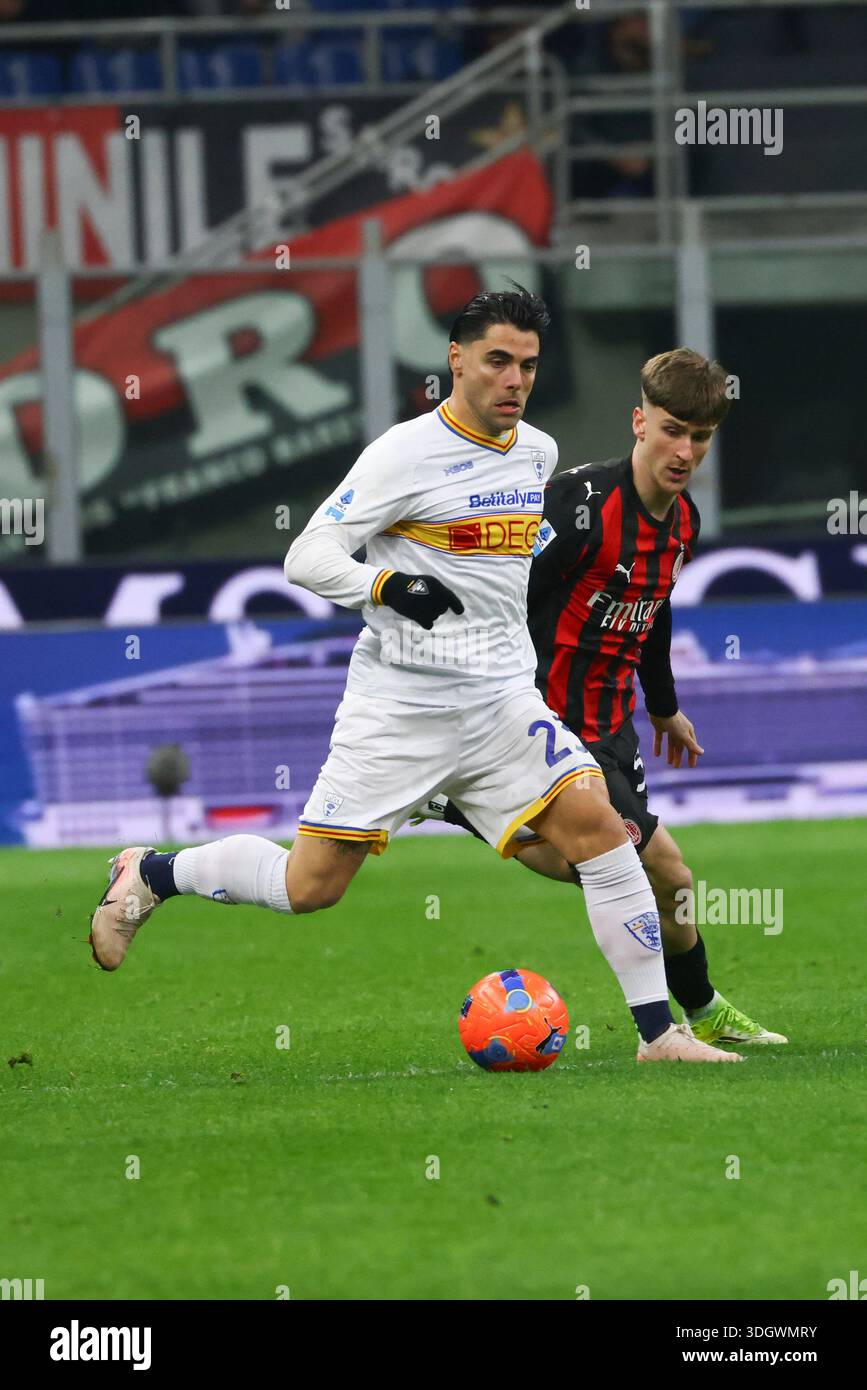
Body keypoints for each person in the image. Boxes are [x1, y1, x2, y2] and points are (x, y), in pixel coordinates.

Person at [89, 288, 741, 1064]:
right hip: (402, 707)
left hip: (500, 703)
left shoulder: (534, 452)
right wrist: (387, 587)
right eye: (497, 361)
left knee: (605, 836)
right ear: (456, 360)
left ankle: (658, 1035)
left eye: (528, 365)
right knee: (310, 887)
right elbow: (307, 553)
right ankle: (153, 871)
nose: (514, 380)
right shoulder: (404, 453)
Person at [420, 348, 785, 1047]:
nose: (684, 450)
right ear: (637, 420)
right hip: (541, 718)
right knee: (634, 862)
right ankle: (680, 1024)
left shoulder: (682, 523)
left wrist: (663, 706)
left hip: (609, 723)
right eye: (672, 429)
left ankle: (703, 1012)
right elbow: (502, 594)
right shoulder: (578, 506)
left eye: (699, 437)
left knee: (660, 878)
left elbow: (653, 610)